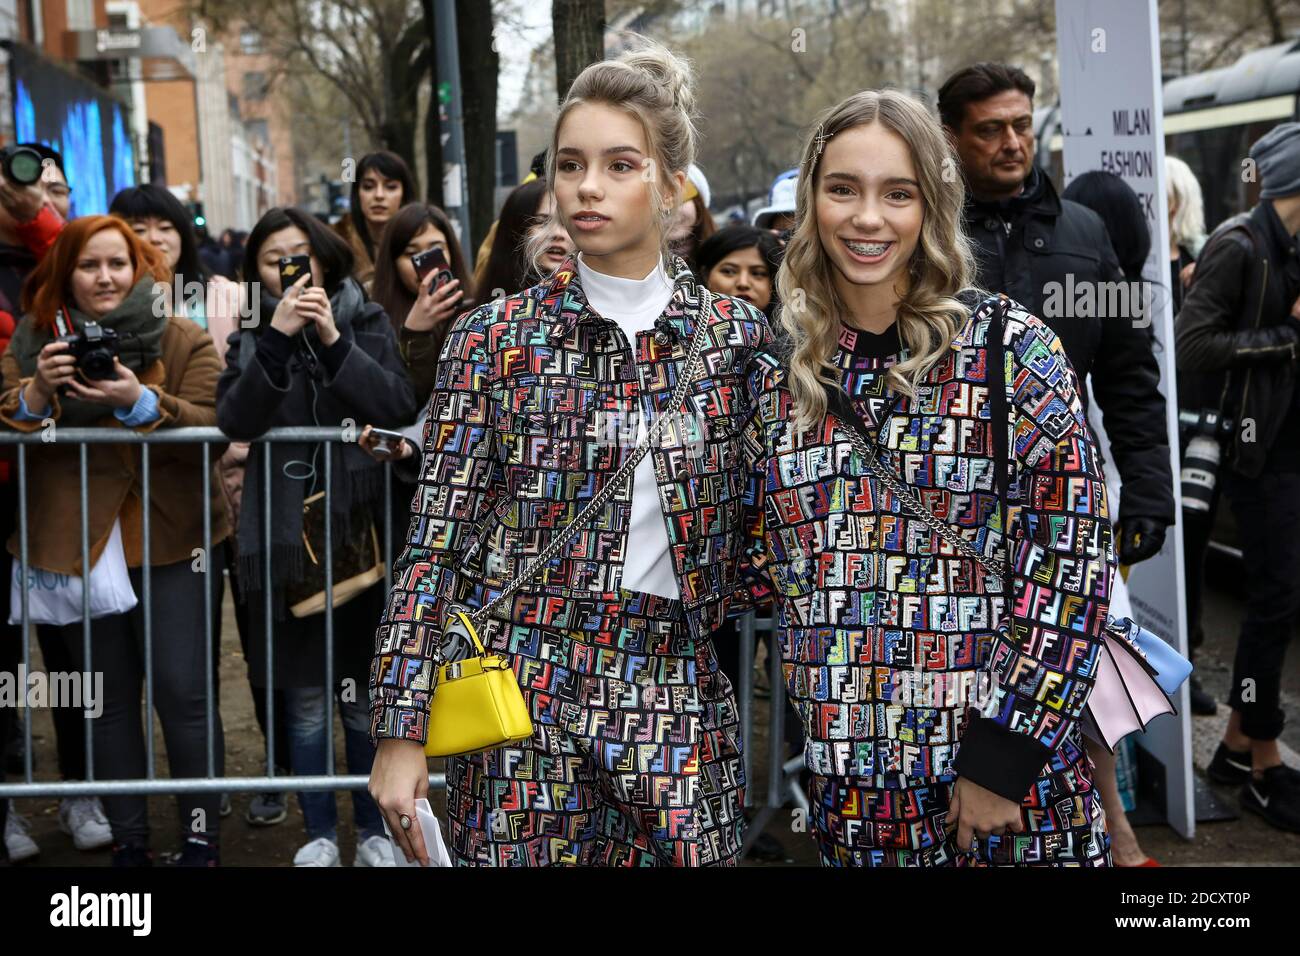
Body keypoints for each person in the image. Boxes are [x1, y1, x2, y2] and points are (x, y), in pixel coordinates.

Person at [368, 38, 770, 868]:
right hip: (521, 706)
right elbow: (436, 541)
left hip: (675, 696)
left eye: (620, 165)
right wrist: (401, 731)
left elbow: (778, 529)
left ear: (670, 185)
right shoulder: (494, 339)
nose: (588, 186)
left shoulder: (736, 340)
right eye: (570, 164)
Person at [748, 89, 1115, 867]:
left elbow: (1072, 569)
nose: (867, 218)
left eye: (898, 193)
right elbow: (756, 565)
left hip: (1004, 794)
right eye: (842, 188)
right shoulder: (779, 371)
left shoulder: (1009, 349)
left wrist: (1002, 761)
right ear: (811, 199)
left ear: (932, 205)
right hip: (854, 795)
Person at [0, 215, 231, 866]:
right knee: (105, 703)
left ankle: (200, 838)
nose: (104, 277)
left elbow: (217, 424)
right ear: (65, 272)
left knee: (183, 695)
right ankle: (130, 840)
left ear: (137, 270)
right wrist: (38, 390)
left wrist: (140, 402)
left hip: (171, 539)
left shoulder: (179, 335)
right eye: (88, 265)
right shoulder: (35, 341)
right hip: (81, 543)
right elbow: (7, 419)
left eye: (117, 264)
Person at [216, 206, 416, 866]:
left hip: (362, 537)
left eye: (299, 253)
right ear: (258, 275)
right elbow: (235, 418)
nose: (290, 268)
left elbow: (395, 406)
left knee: (362, 701)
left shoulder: (364, 318)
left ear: (323, 258)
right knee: (304, 702)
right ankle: (321, 834)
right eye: (274, 260)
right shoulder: (254, 336)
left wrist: (332, 340)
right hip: (285, 541)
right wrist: (277, 337)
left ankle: (376, 832)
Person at [939, 63, 1174, 579]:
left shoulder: (1087, 231)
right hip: (946, 502)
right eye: (990, 129)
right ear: (950, 138)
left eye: (1021, 125)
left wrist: (1149, 491)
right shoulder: (925, 234)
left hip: (1068, 494)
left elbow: (1129, 373)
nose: (1011, 143)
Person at [1176, 122, 1300, 834]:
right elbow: (1193, 344)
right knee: (1274, 601)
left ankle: (1233, 749)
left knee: (1279, 601)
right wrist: (1287, 337)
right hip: (1257, 454)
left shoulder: (1289, 248)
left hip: (1287, 446)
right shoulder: (1240, 244)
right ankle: (1263, 762)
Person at [0, 147, 115, 861]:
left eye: (56, 190)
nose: (41, 198)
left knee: (72, 650)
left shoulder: (64, 262)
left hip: (53, 485)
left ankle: (82, 789)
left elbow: (92, 275)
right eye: (27, 186)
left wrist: (35, 219)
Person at [1059, 170, 1163, 867]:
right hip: (1072, 501)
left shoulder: (1106, 290)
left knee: (1095, 666)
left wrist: (1146, 493)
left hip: (1089, 501)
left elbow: (1131, 385)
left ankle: (1114, 828)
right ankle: (1113, 830)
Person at [1163, 155, 1217, 718]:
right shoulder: (1134, 262)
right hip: (1158, 421)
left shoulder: (1206, 260)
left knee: (1194, 540)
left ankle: (1192, 663)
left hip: (1200, 421)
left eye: (1168, 196)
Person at [476, 178, 575, 305]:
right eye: (542, 222)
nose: (557, 234)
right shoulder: (485, 313)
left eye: (565, 223)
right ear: (515, 231)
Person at [334, 151, 417, 291]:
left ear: (404, 194)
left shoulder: (420, 240)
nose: (379, 195)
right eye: (368, 187)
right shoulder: (336, 245)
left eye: (390, 187)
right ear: (357, 193)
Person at [695, 223, 782, 320]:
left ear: (774, 281)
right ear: (705, 275)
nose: (743, 283)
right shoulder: (685, 327)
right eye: (728, 271)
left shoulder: (792, 328)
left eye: (757, 273)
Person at [667, 164, 716, 265]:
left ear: (698, 203)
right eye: (656, 207)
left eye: (680, 201)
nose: (670, 212)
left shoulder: (729, 254)